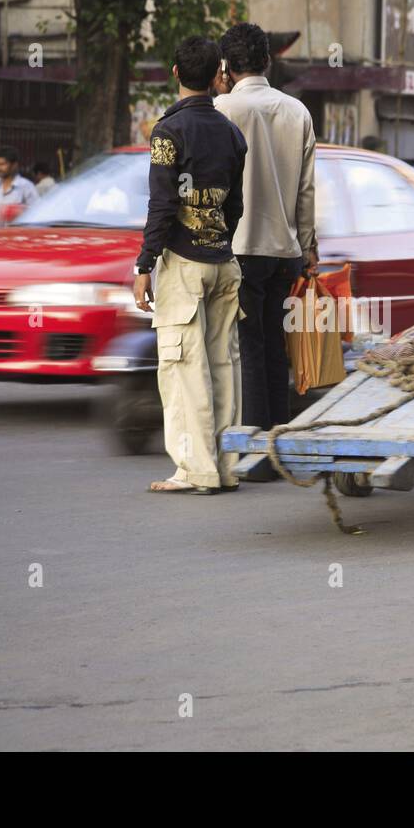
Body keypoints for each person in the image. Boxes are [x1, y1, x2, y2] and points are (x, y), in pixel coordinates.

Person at [134, 36, 248, 495]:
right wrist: (220, 237)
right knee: (223, 364)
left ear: (176, 73)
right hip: (224, 262)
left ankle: (195, 470)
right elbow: (236, 204)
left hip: (184, 264)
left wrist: (145, 263)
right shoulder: (232, 132)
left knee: (184, 368)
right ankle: (226, 466)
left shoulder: (168, 133)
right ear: (215, 75)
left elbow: (162, 204)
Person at [213, 21, 317, 441]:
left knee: (249, 348)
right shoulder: (297, 111)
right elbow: (307, 190)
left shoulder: (221, 111)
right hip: (285, 250)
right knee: (275, 346)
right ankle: (278, 440)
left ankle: (257, 449)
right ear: (268, 61)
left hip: (240, 248)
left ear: (225, 66)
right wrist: (308, 246)